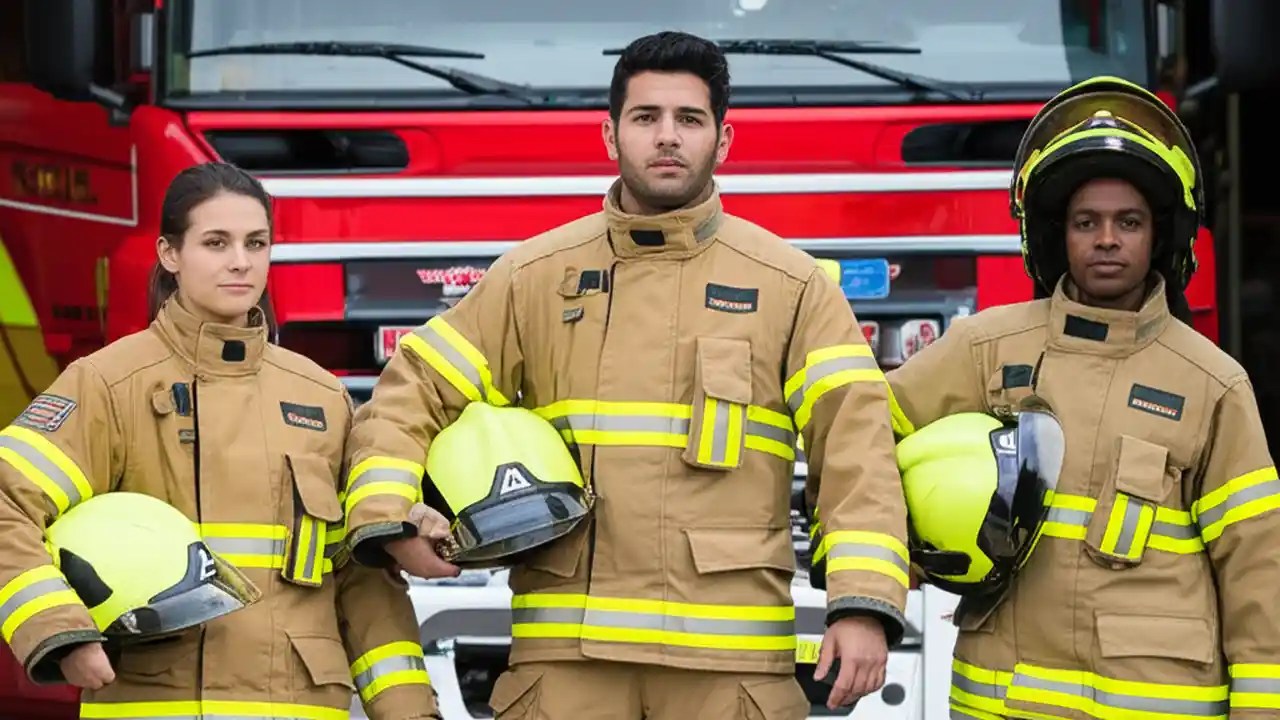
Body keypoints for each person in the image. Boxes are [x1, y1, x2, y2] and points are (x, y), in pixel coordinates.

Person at [342, 31, 910, 718]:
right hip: (567, 670)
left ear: (723, 140)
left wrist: (864, 605)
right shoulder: (535, 278)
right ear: (610, 134)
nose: (666, 137)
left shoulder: (791, 286)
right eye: (646, 118)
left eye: (689, 119)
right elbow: (412, 392)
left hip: (729, 674)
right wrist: (388, 517)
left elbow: (857, 452)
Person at [884, 76, 1280, 718]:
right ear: (1055, 234)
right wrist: (895, 552)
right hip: (1003, 701)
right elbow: (859, 435)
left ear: (1160, 234)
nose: (1106, 239)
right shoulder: (988, 346)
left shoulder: (1213, 383)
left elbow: (1257, 566)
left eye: (1128, 222)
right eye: (1085, 222)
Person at [0, 162, 440, 719]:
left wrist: (408, 711)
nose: (240, 261)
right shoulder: (109, 384)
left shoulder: (321, 396)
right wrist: (62, 634)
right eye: (216, 242)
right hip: (157, 703)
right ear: (169, 254)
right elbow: (7, 504)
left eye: (257, 243)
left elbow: (360, 582)